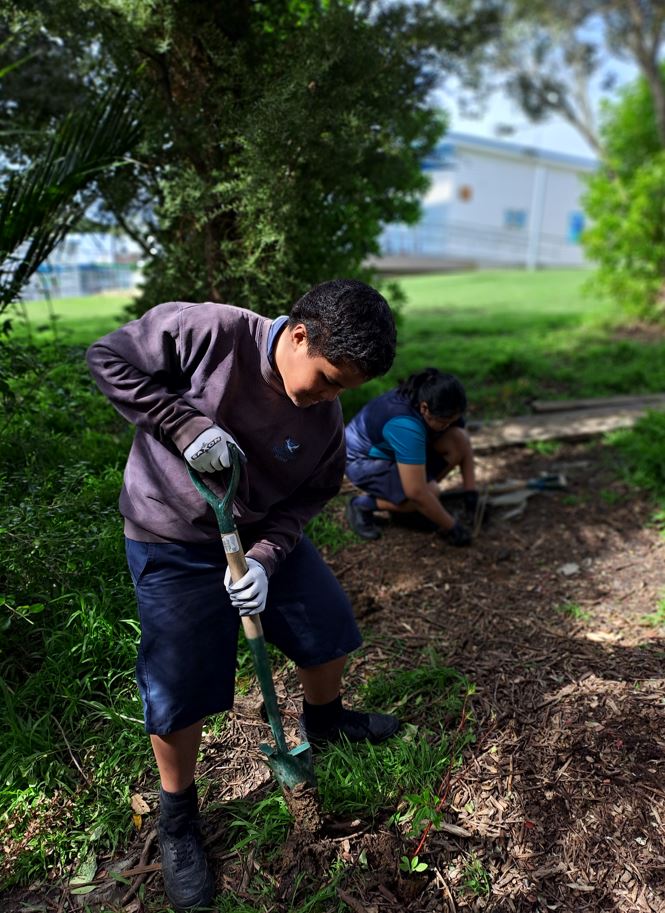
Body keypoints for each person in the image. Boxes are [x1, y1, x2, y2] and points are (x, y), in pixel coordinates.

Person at [86, 279, 400, 912]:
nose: (331, 397)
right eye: (329, 378)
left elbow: (309, 498)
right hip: (170, 534)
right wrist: (182, 423)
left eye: (345, 389)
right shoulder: (211, 330)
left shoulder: (325, 421)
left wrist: (263, 559)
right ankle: (178, 821)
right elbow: (107, 356)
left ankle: (327, 722)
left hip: (253, 534)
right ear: (300, 334)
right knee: (180, 682)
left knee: (328, 626)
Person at [344, 368, 478, 544]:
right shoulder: (407, 426)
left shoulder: (435, 399)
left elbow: (463, 444)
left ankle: (412, 507)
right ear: (424, 408)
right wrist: (453, 528)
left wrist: (471, 493)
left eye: (452, 421)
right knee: (427, 492)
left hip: (394, 452)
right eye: (444, 423)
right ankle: (362, 505)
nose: (449, 425)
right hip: (362, 461)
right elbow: (416, 491)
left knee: (458, 440)